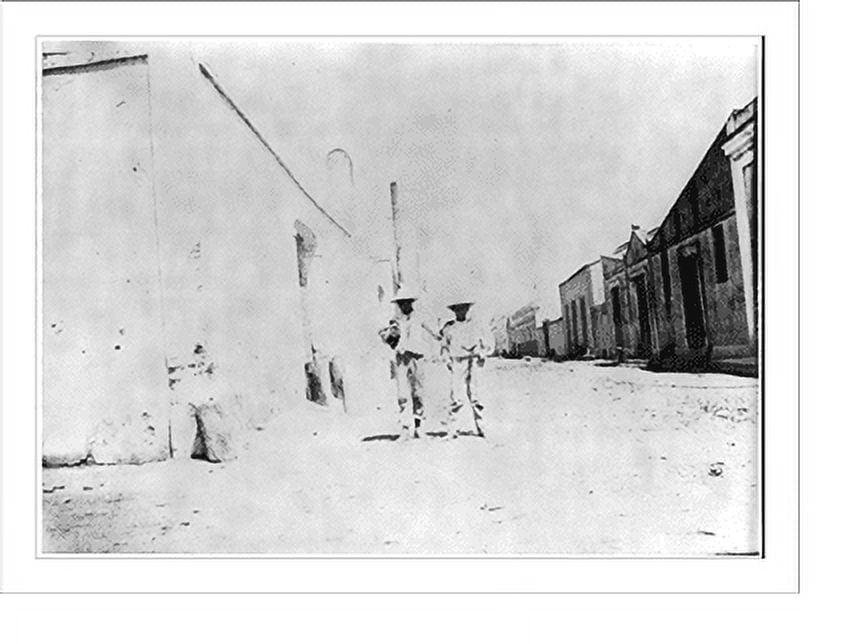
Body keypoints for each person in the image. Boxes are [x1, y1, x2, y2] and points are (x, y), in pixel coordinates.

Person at [379, 287, 432, 440]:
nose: (404, 306)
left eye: (406, 302)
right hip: (402, 358)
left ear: (411, 303)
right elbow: (386, 338)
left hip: (417, 357)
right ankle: (404, 428)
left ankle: (419, 426)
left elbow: (434, 333)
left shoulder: (421, 317)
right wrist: (389, 335)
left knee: (418, 392)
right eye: (401, 303)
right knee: (402, 393)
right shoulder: (394, 321)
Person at [440, 297, 493, 439]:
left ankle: (481, 427)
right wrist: (447, 360)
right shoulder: (449, 327)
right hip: (458, 361)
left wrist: (483, 353)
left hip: (474, 361)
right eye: (458, 308)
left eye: (463, 308)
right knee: (456, 397)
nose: (461, 311)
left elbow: (488, 343)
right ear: (454, 310)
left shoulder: (477, 325)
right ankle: (452, 430)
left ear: (468, 309)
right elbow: (444, 347)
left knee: (476, 396)